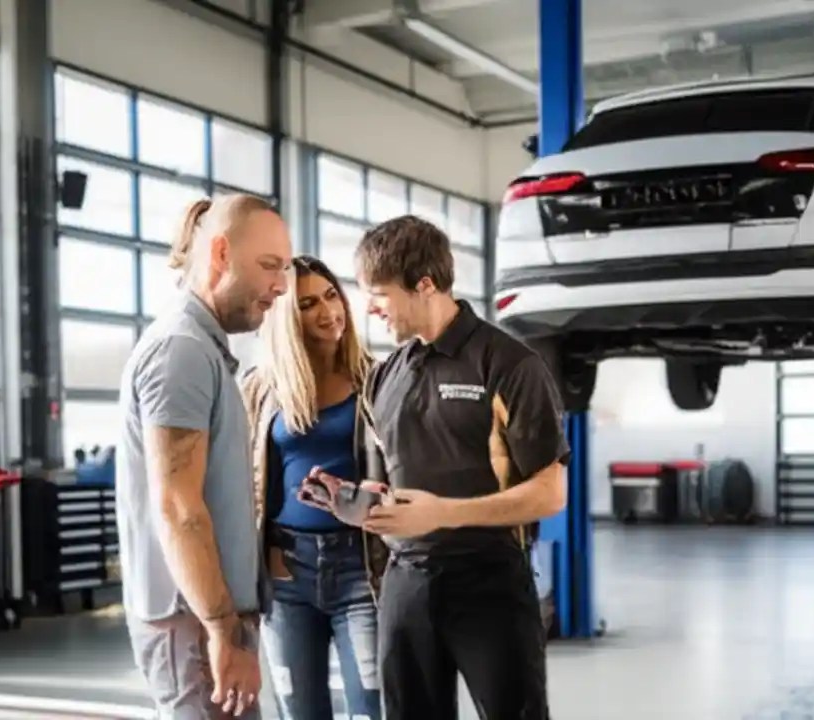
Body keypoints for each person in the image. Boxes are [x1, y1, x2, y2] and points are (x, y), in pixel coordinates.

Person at [310, 215, 570, 719]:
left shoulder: (510, 365)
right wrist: (354, 500)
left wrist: (441, 513)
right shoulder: (385, 377)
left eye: (379, 293)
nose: (368, 308)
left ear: (424, 285)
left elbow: (549, 493)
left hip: (489, 583)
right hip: (406, 584)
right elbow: (389, 480)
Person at [115, 193, 293, 719]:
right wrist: (222, 630)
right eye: (269, 267)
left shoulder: (204, 349)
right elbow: (177, 506)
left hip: (204, 618)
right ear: (220, 254)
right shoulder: (182, 351)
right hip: (192, 623)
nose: (280, 286)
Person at [238, 255, 387, 720]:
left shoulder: (377, 380)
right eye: (308, 303)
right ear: (286, 316)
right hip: (287, 574)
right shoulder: (261, 388)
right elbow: (246, 482)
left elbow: (405, 471)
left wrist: (355, 496)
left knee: (370, 707)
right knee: (299, 711)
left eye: (331, 296)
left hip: (362, 567)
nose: (329, 311)